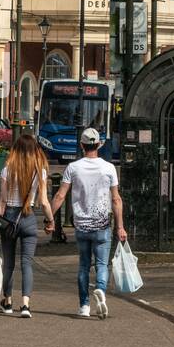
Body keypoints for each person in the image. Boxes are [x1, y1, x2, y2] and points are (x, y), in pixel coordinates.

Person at [50, 127, 126, 319]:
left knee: (83, 266)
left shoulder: (73, 168)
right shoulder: (109, 168)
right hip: (102, 225)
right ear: (99, 145)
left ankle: (84, 306)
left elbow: (60, 195)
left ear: (82, 145)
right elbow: (116, 200)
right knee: (102, 264)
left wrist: (49, 217)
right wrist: (120, 227)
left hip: (82, 226)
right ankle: (100, 289)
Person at [0, 135, 53, 318]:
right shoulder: (39, 171)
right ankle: (25, 305)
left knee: (8, 264)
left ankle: (8, 302)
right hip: (29, 218)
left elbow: (2, 201)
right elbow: (44, 201)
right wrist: (50, 221)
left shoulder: (7, 170)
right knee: (27, 264)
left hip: (9, 218)